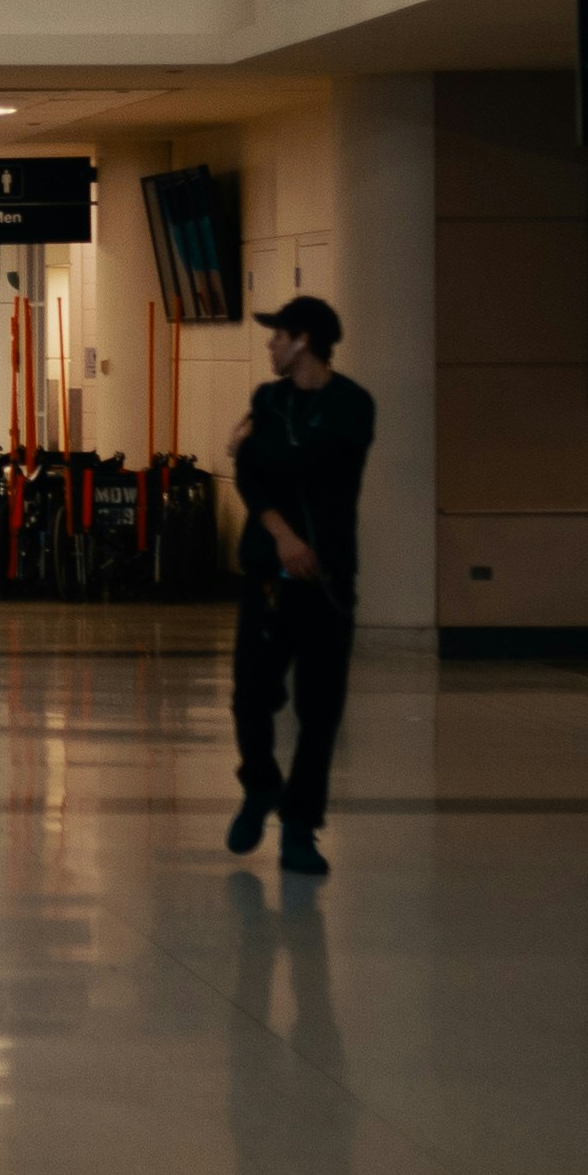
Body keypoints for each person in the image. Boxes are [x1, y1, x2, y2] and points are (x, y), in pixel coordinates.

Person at [226, 295, 378, 878]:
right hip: (270, 572)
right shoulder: (268, 399)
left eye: (277, 336)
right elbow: (252, 480)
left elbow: (310, 464)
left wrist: (248, 445)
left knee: (320, 709)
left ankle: (299, 825)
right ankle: (260, 784)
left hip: (327, 582)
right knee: (250, 696)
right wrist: (284, 535)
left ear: (304, 341)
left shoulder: (351, 405)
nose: (269, 345)